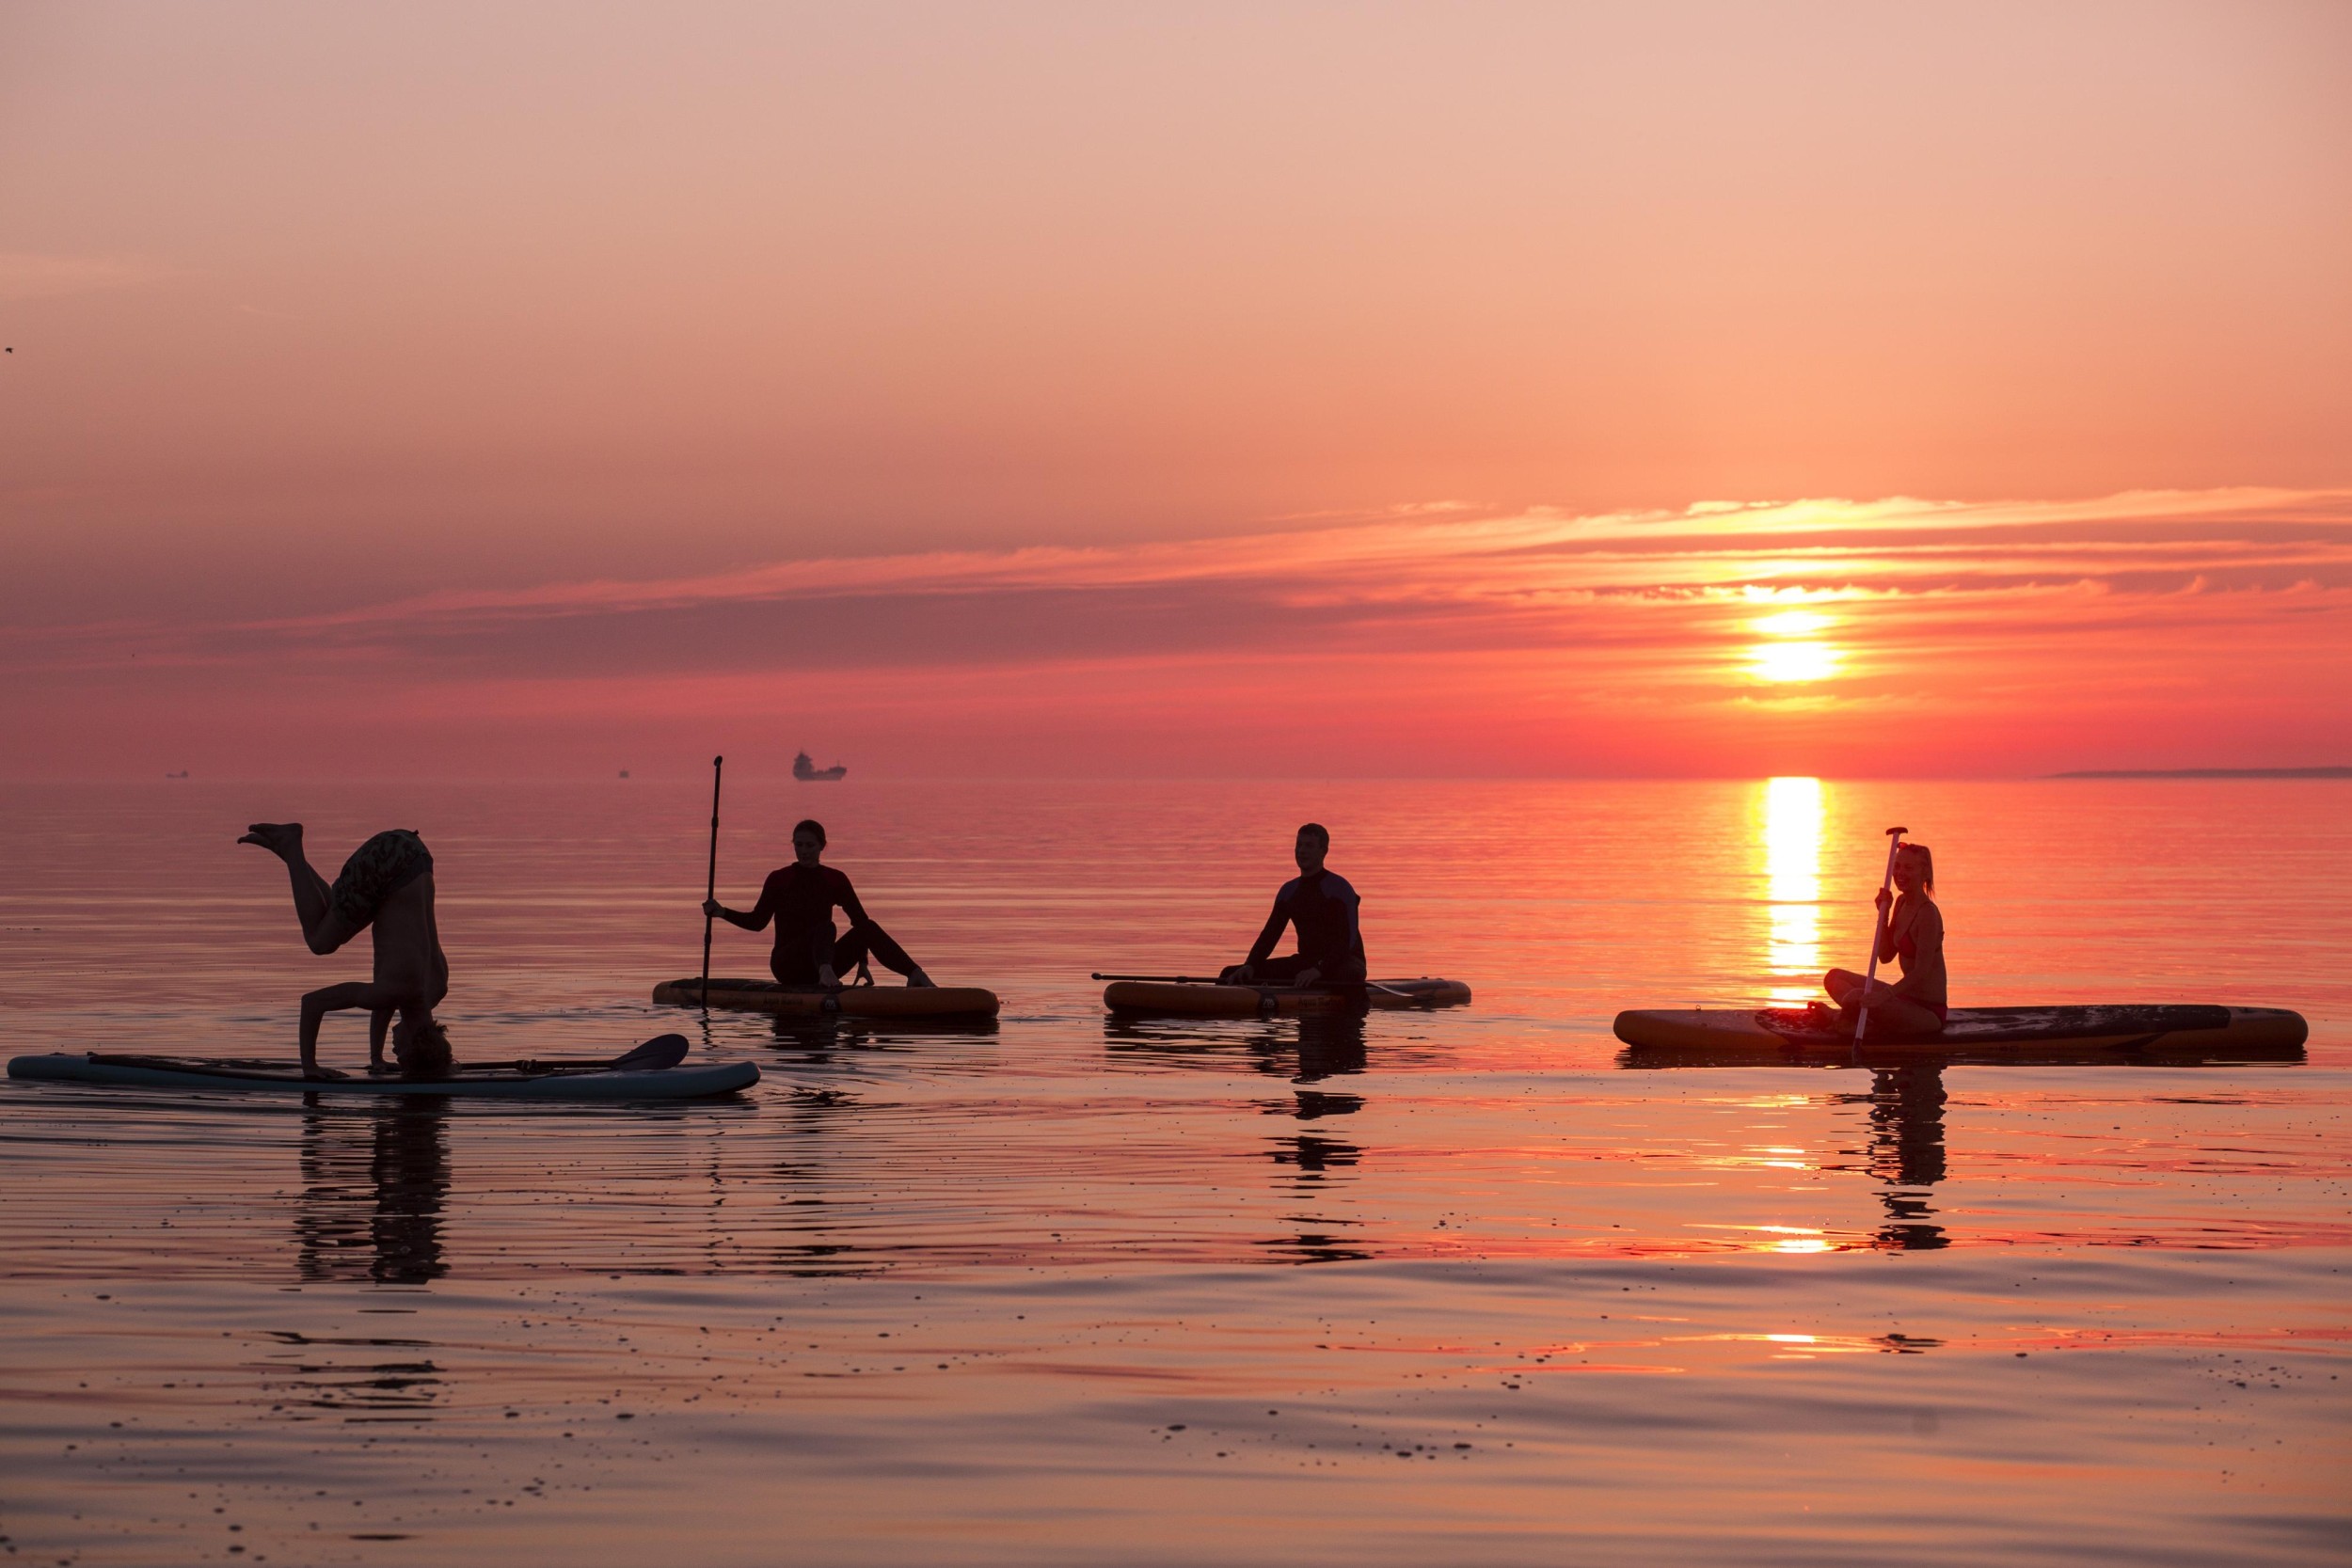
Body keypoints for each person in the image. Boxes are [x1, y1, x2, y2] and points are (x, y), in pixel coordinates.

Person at [239, 823, 453, 1080]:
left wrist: (376, 1059)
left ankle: (291, 854)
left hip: (413, 856)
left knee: (332, 918)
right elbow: (312, 1004)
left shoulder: (435, 987)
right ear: (414, 1042)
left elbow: (387, 1002)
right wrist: (310, 1067)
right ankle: (292, 846)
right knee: (320, 942)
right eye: (400, 1054)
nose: (396, 1051)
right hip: (387, 863)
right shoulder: (396, 989)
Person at [704, 818, 935, 989]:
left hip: (826, 960)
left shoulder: (835, 879)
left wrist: (862, 962)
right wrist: (723, 912)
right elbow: (757, 922)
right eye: (799, 845)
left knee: (868, 927)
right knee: (827, 928)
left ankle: (914, 973)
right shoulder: (779, 878)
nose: (803, 851)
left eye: (810, 846)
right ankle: (825, 972)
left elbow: (860, 922)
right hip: (788, 964)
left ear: (822, 846)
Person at [1219, 822, 1367, 989]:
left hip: (1345, 963)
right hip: (1306, 962)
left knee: (1345, 976)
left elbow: (1347, 941)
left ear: (1323, 851)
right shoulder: (1289, 891)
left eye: (1309, 845)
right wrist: (1250, 964)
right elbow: (1270, 935)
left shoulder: (1340, 888)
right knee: (1229, 974)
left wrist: (1319, 969)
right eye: (1299, 845)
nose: (1301, 850)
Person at [1825, 840, 1946, 1036]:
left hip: (1928, 1012)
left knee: (1856, 996)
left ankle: (1841, 1019)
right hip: (1904, 998)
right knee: (1834, 977)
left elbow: (1921, 971)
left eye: (1908, 867)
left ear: (1924, 873)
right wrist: (1884, 914)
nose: (1900, 873)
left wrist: (1883, 996)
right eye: (1897, 866)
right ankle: (1849, 1017)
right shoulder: (1901, 902)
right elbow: (1885, 955)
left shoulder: (1928, 914)